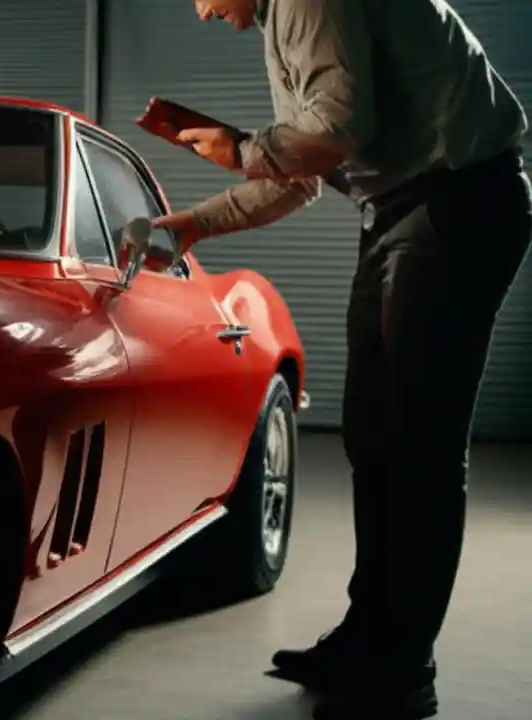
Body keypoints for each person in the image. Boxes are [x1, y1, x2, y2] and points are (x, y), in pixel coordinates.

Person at [150, 0, 530, 718]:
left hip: (460, 196)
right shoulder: (279, 24)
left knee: (420, 443)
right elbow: (299, 169)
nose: (200, 12)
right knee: (373, 435)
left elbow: (335, 132)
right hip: (396, 208)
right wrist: (197, 223)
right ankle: (370, 636)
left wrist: (239, 148)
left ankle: (404, 669)